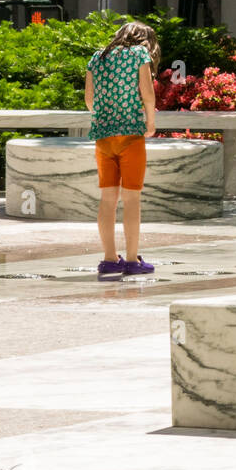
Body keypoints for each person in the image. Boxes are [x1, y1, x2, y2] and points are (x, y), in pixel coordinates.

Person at [84, 21, 159, 281]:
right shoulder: (139, 54)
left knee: (107, 200)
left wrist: (106, 116)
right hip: (130, 136)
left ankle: (108, 259)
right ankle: (131, 259)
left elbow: (89, 100)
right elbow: (147, 93)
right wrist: (150, 121)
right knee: (131, 199)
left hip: (103, 138)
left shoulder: (97, 57)